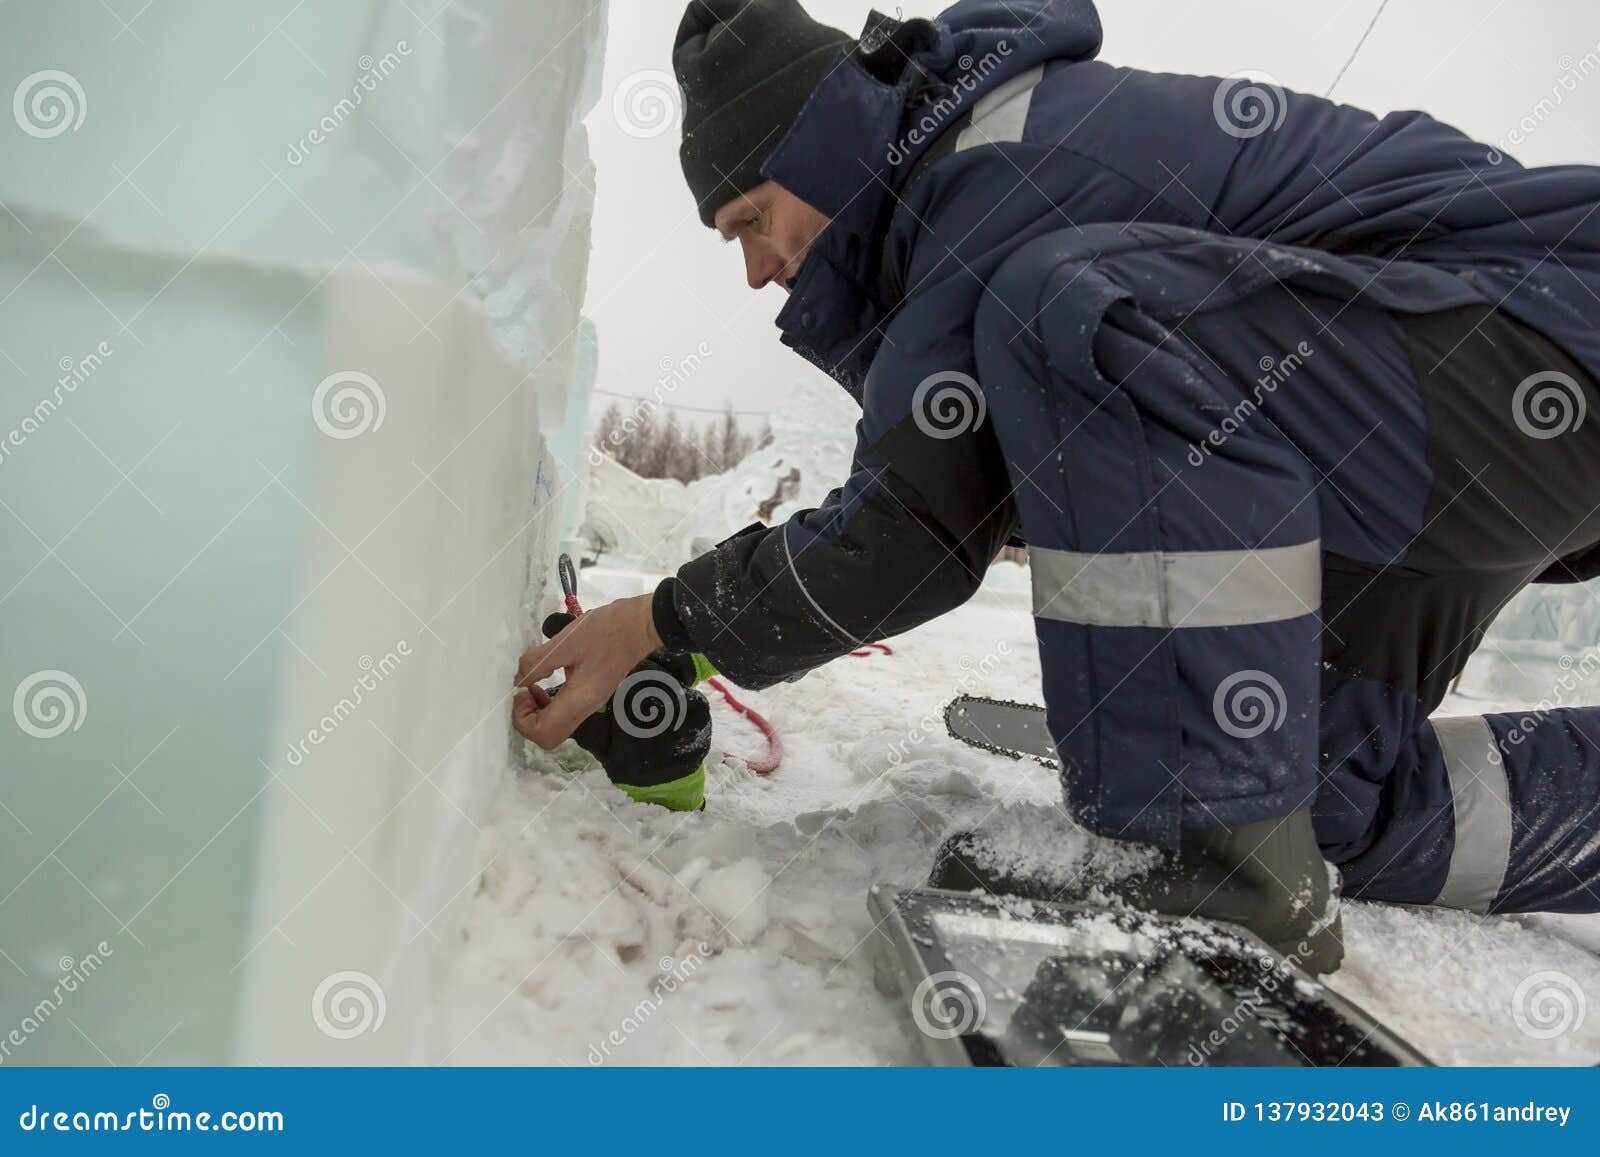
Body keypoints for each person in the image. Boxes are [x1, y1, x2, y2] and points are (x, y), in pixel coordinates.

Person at [515, 0, 1600, 973]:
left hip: (1523, 347)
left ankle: (1217, 866)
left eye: (751, 217)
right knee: (1312, 799)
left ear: (817, 143)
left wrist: (658, 621)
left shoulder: (997, 173)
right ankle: (1295, 830)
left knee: (1060, 311)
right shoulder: (966, 178)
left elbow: (909, 532)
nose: (754, 267)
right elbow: (947, 492)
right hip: (1442, 429)